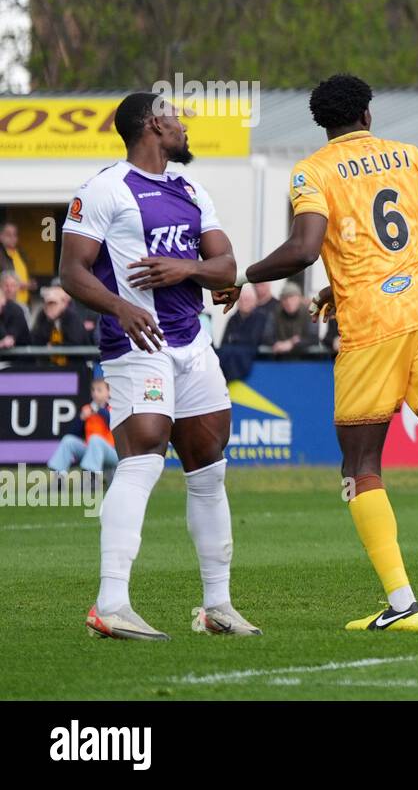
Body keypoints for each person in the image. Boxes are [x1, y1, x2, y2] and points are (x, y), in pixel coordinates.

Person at [215, 73, 418, 632]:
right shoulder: (410, 156)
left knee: (360, 466)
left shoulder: (313, 170)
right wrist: (342, 282)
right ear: (368, 114)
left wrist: (243, 275)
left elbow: (305, 249)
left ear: (321, 123)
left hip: (373, 326)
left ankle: (403, 605)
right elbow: (406, 239)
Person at [60, 91, 254, 640]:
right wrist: (121, 307)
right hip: (137, 343)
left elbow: (226, 266)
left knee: (208, 461)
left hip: (194, 345)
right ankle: (110, 602)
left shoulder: (192, 189)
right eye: (175, 116)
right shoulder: (104, 188)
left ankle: (217, 605)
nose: (184, 124)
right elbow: (72, 272)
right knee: (143, 451)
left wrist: (184, 269)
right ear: (151, 124)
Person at [47, 377, 118, 476]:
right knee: (68, 440)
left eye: (99, 390)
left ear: (109, 392)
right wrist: (81, 419)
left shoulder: (114, 408)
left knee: (95, 439)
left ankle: (90, 483)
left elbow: (112, 423)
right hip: (91, 452)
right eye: (93, 390)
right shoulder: (87, 409)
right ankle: (58, 479)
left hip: (112, 452)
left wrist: (98, 410)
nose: (95, 393)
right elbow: (73, 433)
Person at [217, 284, 267, 381]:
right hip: (229, 357)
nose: (244, 302)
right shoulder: (233, 319)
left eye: (247, 299)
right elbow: (225, 341)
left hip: (250, 359)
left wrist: (235, 338)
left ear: (254, 301)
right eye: (241, 299)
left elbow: (254, 339)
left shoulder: (260, 317)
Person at [260, 281, 317, 357]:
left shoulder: (310, 313)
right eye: (285, 299)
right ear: (281, 301)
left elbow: (314, 338)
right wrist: (279, 344)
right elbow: (266, 337)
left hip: (305, 360)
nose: (289, 302)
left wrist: (293, 344)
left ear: (299, 299)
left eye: (292, 298)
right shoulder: (274, 313)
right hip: (280, 360)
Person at [31, 283, 93, 349]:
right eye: (47, 304)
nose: (50, 307)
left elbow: (75, 343)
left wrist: (54, 347)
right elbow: (35, 339)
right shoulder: (42, 316)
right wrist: (49, 322)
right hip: (49, 358)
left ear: (63, 304)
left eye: (54, 303)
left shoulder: (72, 317)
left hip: (73, 358)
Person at [0, 221, 33, 307]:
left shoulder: (21, 254)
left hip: (25, 304)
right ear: (1, 236)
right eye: (8, 234)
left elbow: (29, 277)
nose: (12, 237)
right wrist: (15, 284)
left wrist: (30, 284)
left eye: (15, 234)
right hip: (5, 305)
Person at [0, 272, 31, 348]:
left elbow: (9, 340)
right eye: (6, 285)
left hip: (17, 353)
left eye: (13, 285)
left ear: (18, 288)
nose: (9, 289)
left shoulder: (21, 309)